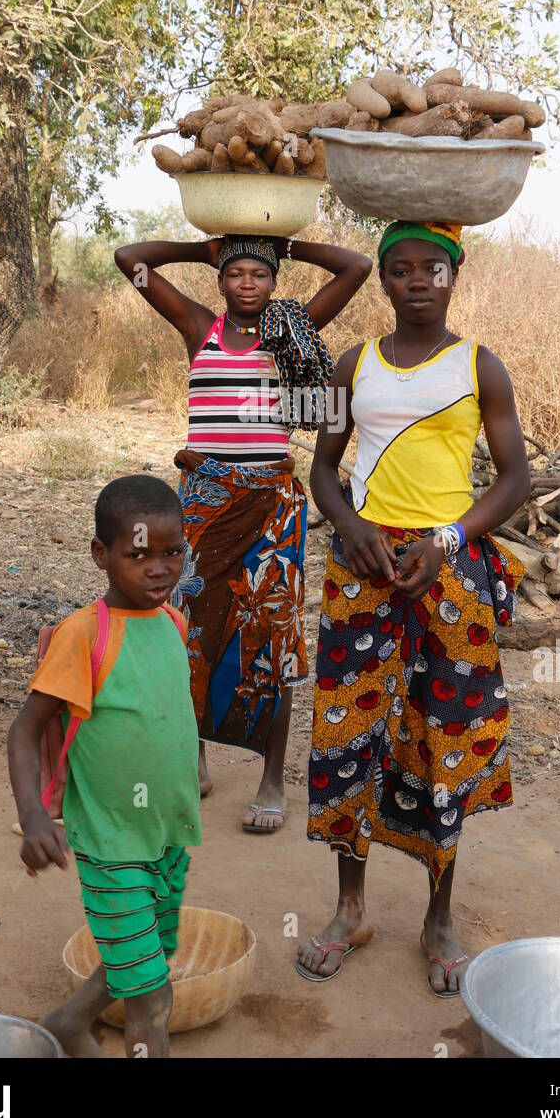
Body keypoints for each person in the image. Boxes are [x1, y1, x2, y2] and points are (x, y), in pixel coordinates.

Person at [296, 220, 530, 994]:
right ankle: (350, 908)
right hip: (363, 568)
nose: (419, 280)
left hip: (448, 573)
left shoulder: (479, 367)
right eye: (401, 269)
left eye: (435, 267)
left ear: (456, 276)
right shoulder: (351, 365)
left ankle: (439, 919)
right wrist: (351, 526)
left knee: (445, 737)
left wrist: (449, 541)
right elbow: (324, 471)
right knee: (346, 730)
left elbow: (512, 481)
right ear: (386, 282)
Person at [115, 232, 371, 833]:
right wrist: (202, 248)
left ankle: (271, 779)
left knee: (271, 635)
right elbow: (132, 261)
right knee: (190, 628)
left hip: (272, 506)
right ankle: (195, 760)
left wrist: (286, 244)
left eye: (260, 272)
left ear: (275, 282)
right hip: (203, 503)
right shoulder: (197, 328)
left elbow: (357, 266)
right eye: (235, 273)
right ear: (221, 282)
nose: (248, 282)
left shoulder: (292, 328)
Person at [7, 475, 199, 1058]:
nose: (159, 569)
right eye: (138, 555)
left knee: (135, 959)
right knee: (151, 997)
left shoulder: (173, 624)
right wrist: (34, 818)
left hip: (166, 836)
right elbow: (25, 729)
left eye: (172, 552)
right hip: (113, 843)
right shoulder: (84, 634)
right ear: (102, 555)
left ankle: (67, 1024)